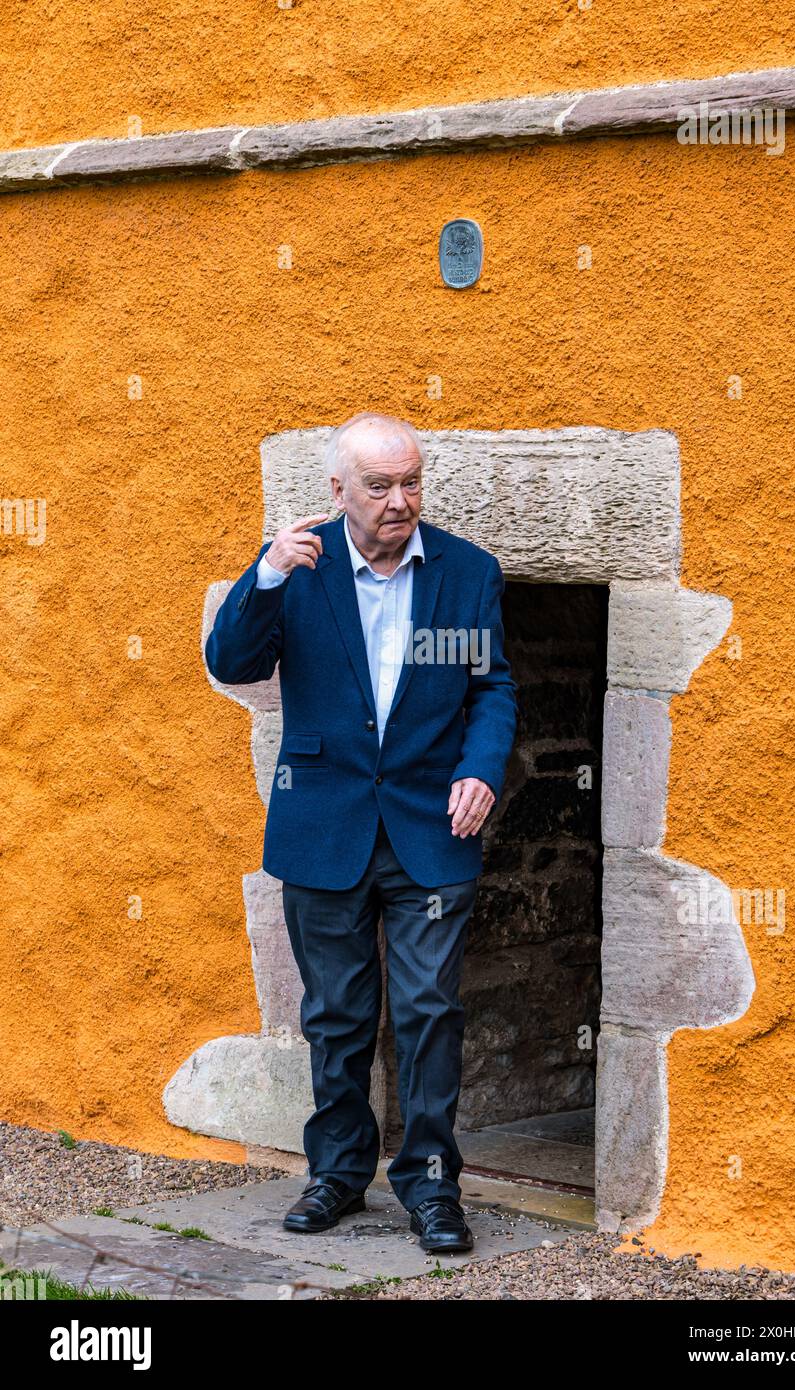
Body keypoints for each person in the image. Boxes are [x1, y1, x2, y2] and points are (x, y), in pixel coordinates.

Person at [205, 411, 516, 1252]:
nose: (399, 500)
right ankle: (339, 1175)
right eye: (378, 486)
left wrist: (480, 768)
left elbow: (489, 688)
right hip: (323, 824)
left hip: (429, 830)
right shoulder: (297, 570)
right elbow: (230, 663)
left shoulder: (465, 572)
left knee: (427, 1010)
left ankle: (429, 1185)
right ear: (336, 491)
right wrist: (264, 575)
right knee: (337, 1015)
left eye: (410, 481)